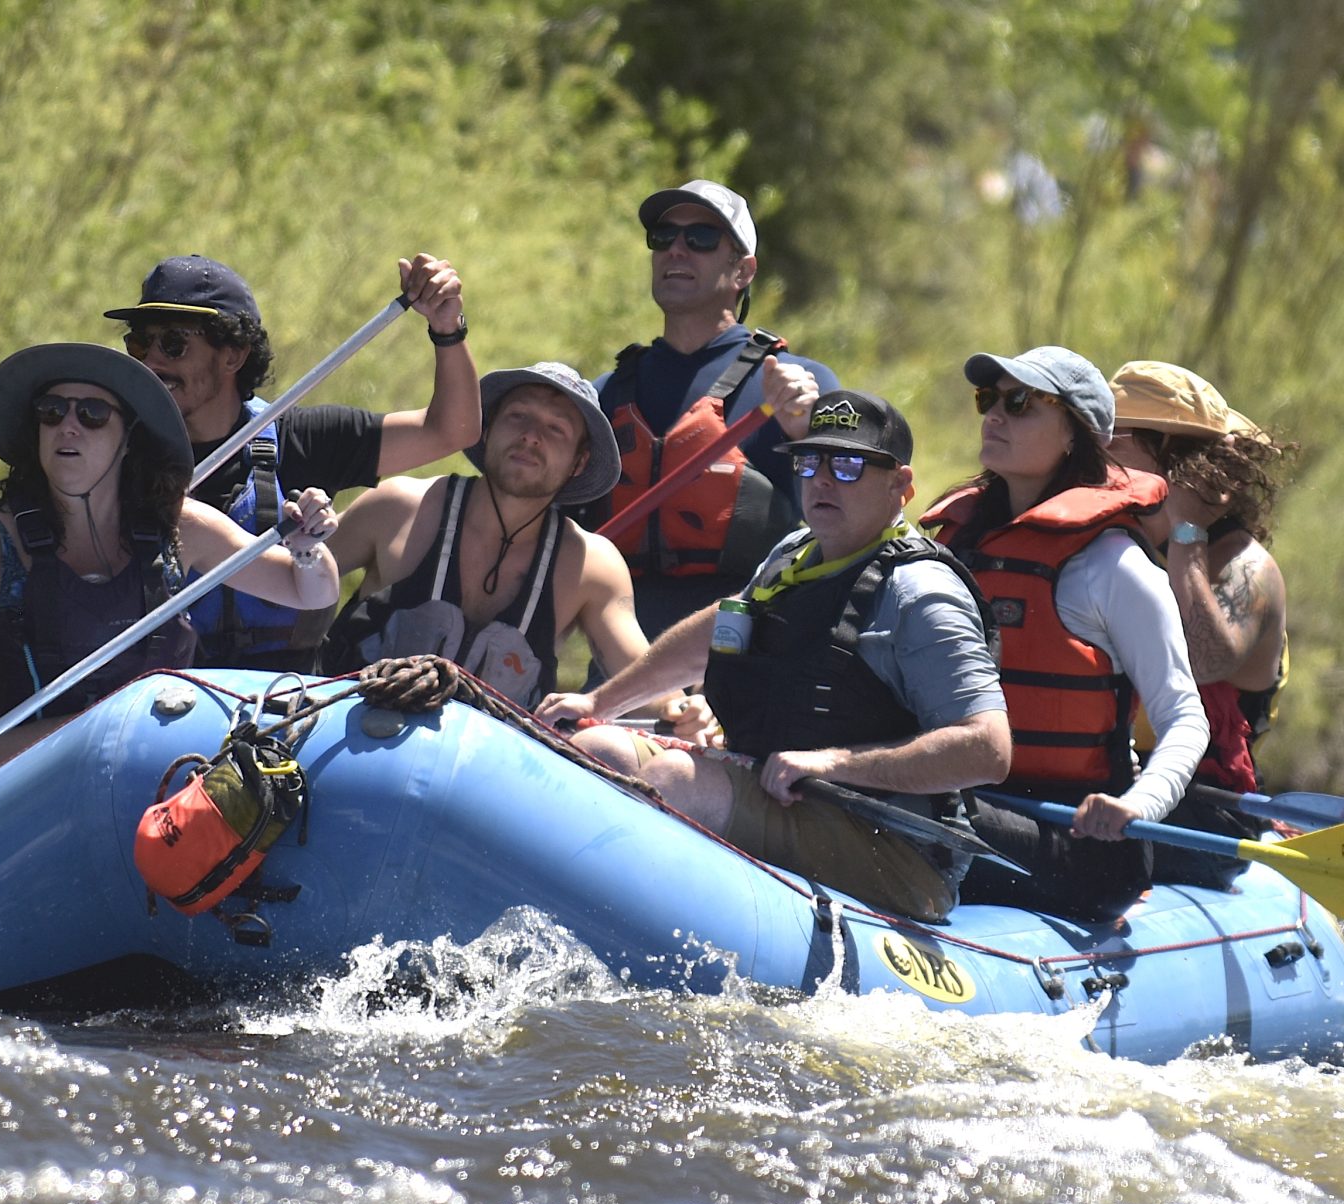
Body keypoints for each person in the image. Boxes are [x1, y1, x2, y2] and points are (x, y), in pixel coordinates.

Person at [539, 390, 1011, 923]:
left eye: (848, 465)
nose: (822, 480)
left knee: (677, 780)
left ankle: (606, 929)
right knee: (600, 747)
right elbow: (721, 625)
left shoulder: (922, 595)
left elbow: (988, 750)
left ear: (900, 486)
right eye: (810, 463)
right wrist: (601, 702)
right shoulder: (795, 553)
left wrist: (832, 763)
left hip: (896, 850)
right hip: (784, 797)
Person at [0, 343, 339, 815]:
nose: (67, 426)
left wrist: (307, 546)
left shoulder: (181, 527)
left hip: (143, 779)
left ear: (128, 438)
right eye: (51, 412)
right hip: (2, 791)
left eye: (92, 414)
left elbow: (309, 591)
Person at [919, 346, 1209, 920]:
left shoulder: (1114, 567)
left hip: (1080, 844)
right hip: (968, 800)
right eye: (988, 399)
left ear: (1075, 435)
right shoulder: (954, 545)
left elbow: (1184, 718)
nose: (994, 415)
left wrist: (1136, 807)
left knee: (912, 809)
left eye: (1020, 403)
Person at [105, 251, 478, 671]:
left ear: (232, 356)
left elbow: (452, 431)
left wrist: (447, 329)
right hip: (152, 691)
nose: (151, 362)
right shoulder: (107, 448)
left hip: (280, 695)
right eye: (140, 343)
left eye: (173, 344)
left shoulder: (302, 438)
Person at [580, 180, 842, 640]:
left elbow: (848, 527)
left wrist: (805, 435)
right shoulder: (606, 394)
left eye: (701, 237)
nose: (676, 249)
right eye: (663, 236)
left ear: (743, 270)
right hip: (622, 660)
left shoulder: (797, 386)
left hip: (748, 655)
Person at [319, 362, 657, 713]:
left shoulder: (591, 566)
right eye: (518, 416)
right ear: (486, 428)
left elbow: (646, 683)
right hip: (347, 734)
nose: (531, 436)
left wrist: (682, 710)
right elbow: (290, 577)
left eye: (556, 428)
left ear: (579, 462)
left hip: (486, 749)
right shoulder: (397, 507)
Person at [1108, 360, 1290, 877]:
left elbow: (1204, 661)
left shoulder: (1247, 566)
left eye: (1117, 440)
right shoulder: (1116, 542)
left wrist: (1187, 530)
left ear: (1178, 459)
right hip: (1115, 779)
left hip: (1203, 807)